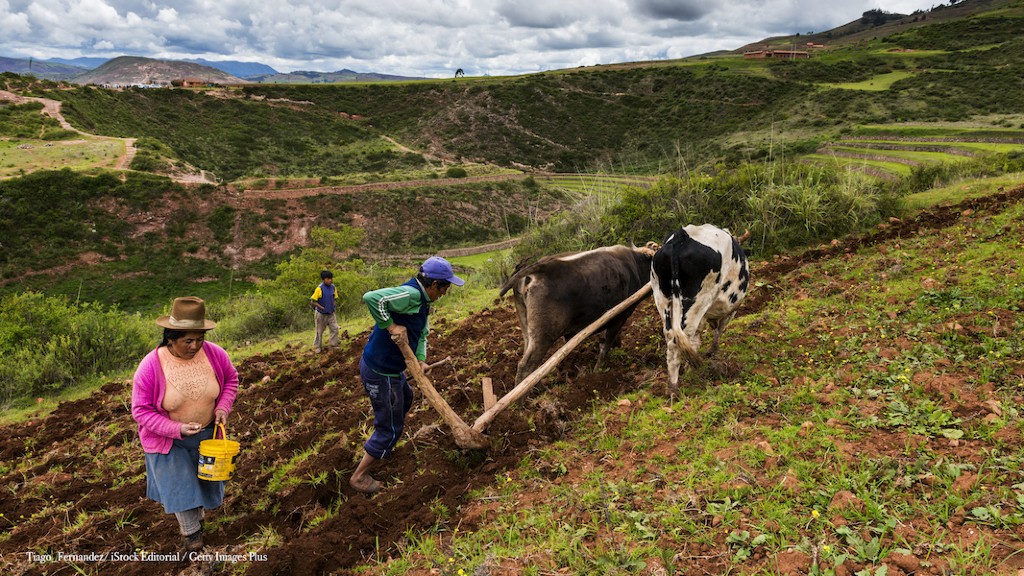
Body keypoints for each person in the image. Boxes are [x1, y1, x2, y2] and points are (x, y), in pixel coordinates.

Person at [131, 296, 238, 552]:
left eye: (199, 339)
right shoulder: (151, 366)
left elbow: (231, 381)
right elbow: (141, 411)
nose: (195, 346)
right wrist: (175, 429)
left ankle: (197, 521)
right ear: (171, 338)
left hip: (207, 435)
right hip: (169, 441)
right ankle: (192, 538)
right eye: (188, 341)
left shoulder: (214, 354)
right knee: (181, 487)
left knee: (204, 482)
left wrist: (223, 408)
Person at [349, 256, 465, 494]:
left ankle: (385, 439)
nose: (446, 292)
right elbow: (372, 298)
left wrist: (420, 360)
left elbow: (421, 332)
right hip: (380, 370)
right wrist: (391, 327)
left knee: (406, 397)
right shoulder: (411, 294)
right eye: (445, 287)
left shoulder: (423, 300)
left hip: (391, 369)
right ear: (434, 285)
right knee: (391, 426)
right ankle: (359, 476)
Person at [310, 270, 340, 353]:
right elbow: (313, 301)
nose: (330, 280)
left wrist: (333, 305)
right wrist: (321, 307)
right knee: (319, 331)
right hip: (321, 314)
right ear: (324, 279)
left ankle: (333, 345)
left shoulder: (333, 287)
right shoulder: (319, 289)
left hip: (331, 313)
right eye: (328, 279)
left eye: (331, 278)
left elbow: (335, 298)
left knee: (335, 329)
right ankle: (317, 347)